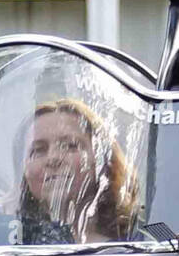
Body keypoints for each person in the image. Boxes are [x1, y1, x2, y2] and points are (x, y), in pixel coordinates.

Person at [15, 98, 140, 245]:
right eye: (38, 150)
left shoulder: (146, 243)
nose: (53, 158)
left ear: (102, 159)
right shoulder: (1, 243)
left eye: (70, 146)